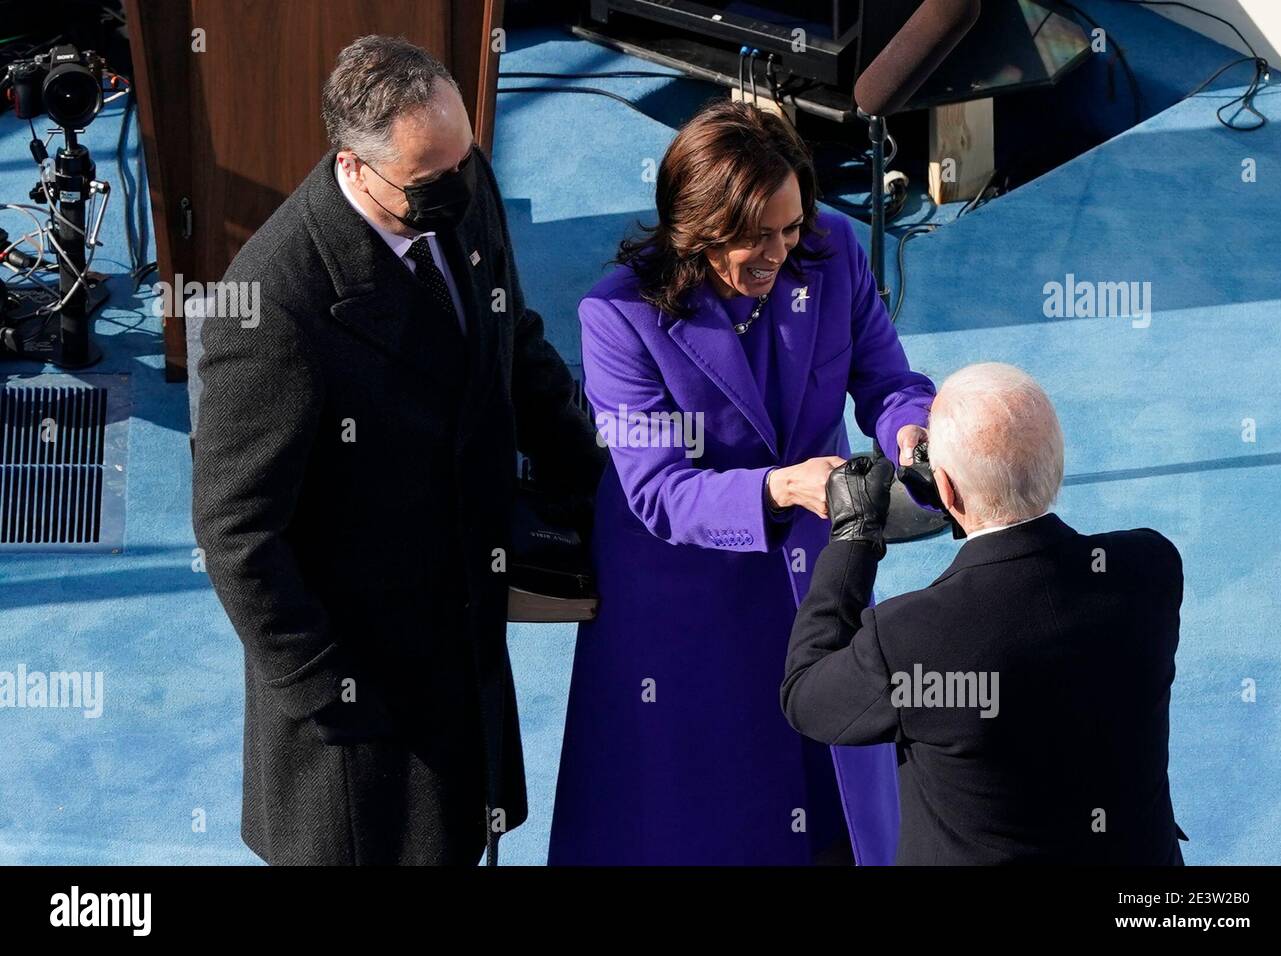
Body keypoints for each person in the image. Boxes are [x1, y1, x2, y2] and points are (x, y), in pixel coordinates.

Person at [191, 35, 604, 865]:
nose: (461, 188)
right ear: (353, 165)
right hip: (361, 714)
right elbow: (237, 534)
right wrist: (325, 691)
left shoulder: (451, 177)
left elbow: (509, 338)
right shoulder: (272, 305)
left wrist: (595, 483)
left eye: (465, 161)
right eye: (431, 180)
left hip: (459, 654)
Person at [547, 99, 936, 865]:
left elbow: (887, 379)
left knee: (835, 807)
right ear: (694, 228)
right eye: (752, 239)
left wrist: (912, 431)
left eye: (789, 231)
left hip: (817, 575)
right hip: (683, 600)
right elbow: (658, 491)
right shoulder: (616, 316)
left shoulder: (833, 251)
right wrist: (779, 489)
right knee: (699, 818)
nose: (777, 256)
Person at [783, 363, 1188, 864]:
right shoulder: (1149, 568)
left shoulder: (909, 639)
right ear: (1056, 464)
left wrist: (852, 540)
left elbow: (806, 695)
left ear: (944, 489)